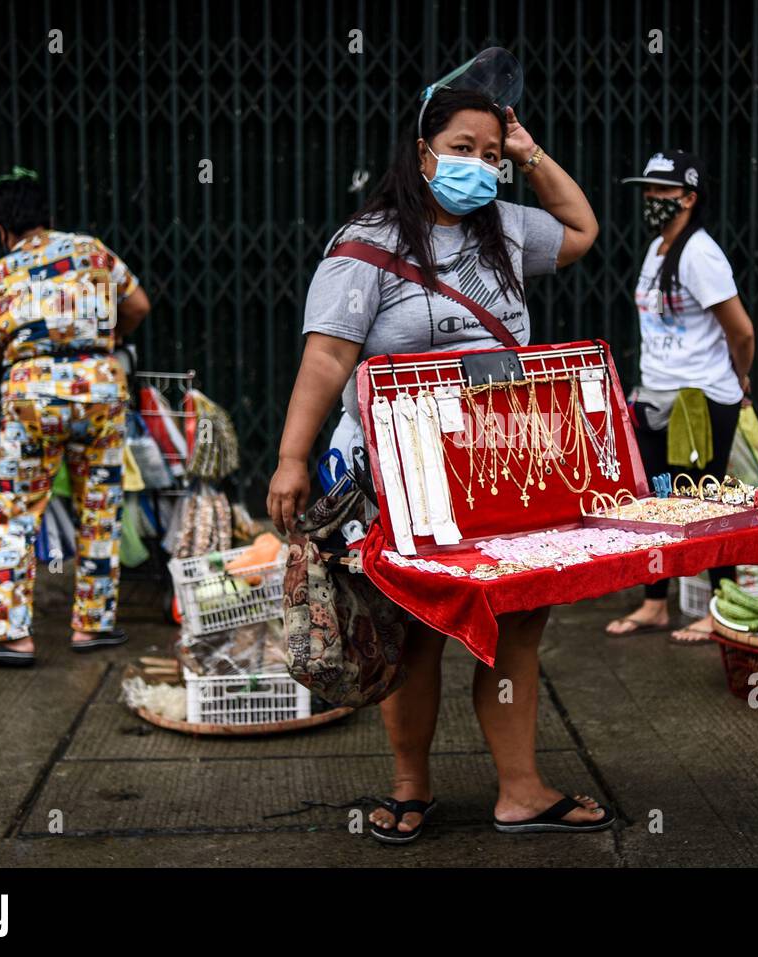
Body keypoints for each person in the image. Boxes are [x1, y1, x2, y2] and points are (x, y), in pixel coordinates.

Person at [265, 87, 606, 841]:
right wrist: (293, 457)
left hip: (502, 464)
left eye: (490, 155)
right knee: (417, 626)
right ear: (421, 153)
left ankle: (520, 789)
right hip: (402, 469)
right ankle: (411, 786)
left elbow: (583, 228)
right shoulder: (367, 242)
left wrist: (528, 152)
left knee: (516, 624)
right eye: (460, 148)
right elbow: (326, 357)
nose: (477, 165)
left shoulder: (508, 230)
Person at [0, 167, 151, 666]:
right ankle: (93, 626)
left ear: (1, 230)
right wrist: (109, 337)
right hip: (100, 393)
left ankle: (13, 636)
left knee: (15, 516)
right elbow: (139, 304)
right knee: (100, 507)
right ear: (47, 217)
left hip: (31, 400)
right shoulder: (90, 251)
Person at [605, 150, 756, 645]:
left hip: (701, 398)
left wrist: (740, 378)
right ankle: (655, 603)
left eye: (662, 191)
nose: (651, 199)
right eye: (647, 190)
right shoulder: (658, 249)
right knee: (658, 500)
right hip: (657, 393)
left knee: (704, 503)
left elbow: (742, 332)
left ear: (689, 197)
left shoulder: (700, 254)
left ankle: (722, 607)